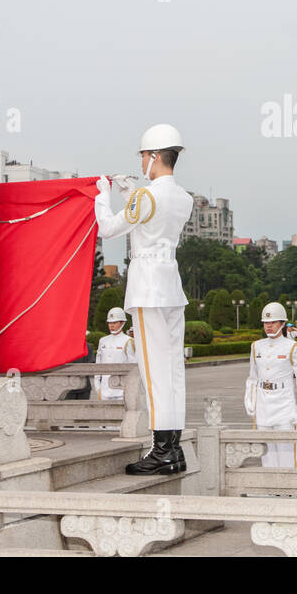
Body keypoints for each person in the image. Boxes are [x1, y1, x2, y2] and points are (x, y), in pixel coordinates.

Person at [94, 123, 194, 475]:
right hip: (171, 288)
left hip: (148, 289)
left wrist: (102, 198)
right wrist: (131, 193)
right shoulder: (184, 197)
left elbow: (109, 228)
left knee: (153, 371)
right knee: (172, 370)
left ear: (154, 157)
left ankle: (161, 450)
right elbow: (151, 220)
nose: (140, 162)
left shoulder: (145, 198)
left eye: (142, 157)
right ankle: (174, 449)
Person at [244, 303, 297, 466]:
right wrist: (250, 402)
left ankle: (288, 490)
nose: (269, 326)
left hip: (284, 405)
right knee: (267, 454)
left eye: (273, 322)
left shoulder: (293, 347)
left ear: (282, 324)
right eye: (266, 323)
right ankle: (270, 489)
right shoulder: (256, 346)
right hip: (263, 405)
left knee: (286, 453)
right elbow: (252, 378)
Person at [95, 307, 136, 403]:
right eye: (110, 323)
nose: (111, 325)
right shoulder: (103, 341)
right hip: (104, 390)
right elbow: (98, 366)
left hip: (121, 390)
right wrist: (97, 387)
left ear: (122, 323)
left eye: (114, 323)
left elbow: (133, 368)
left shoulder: (128, 341)